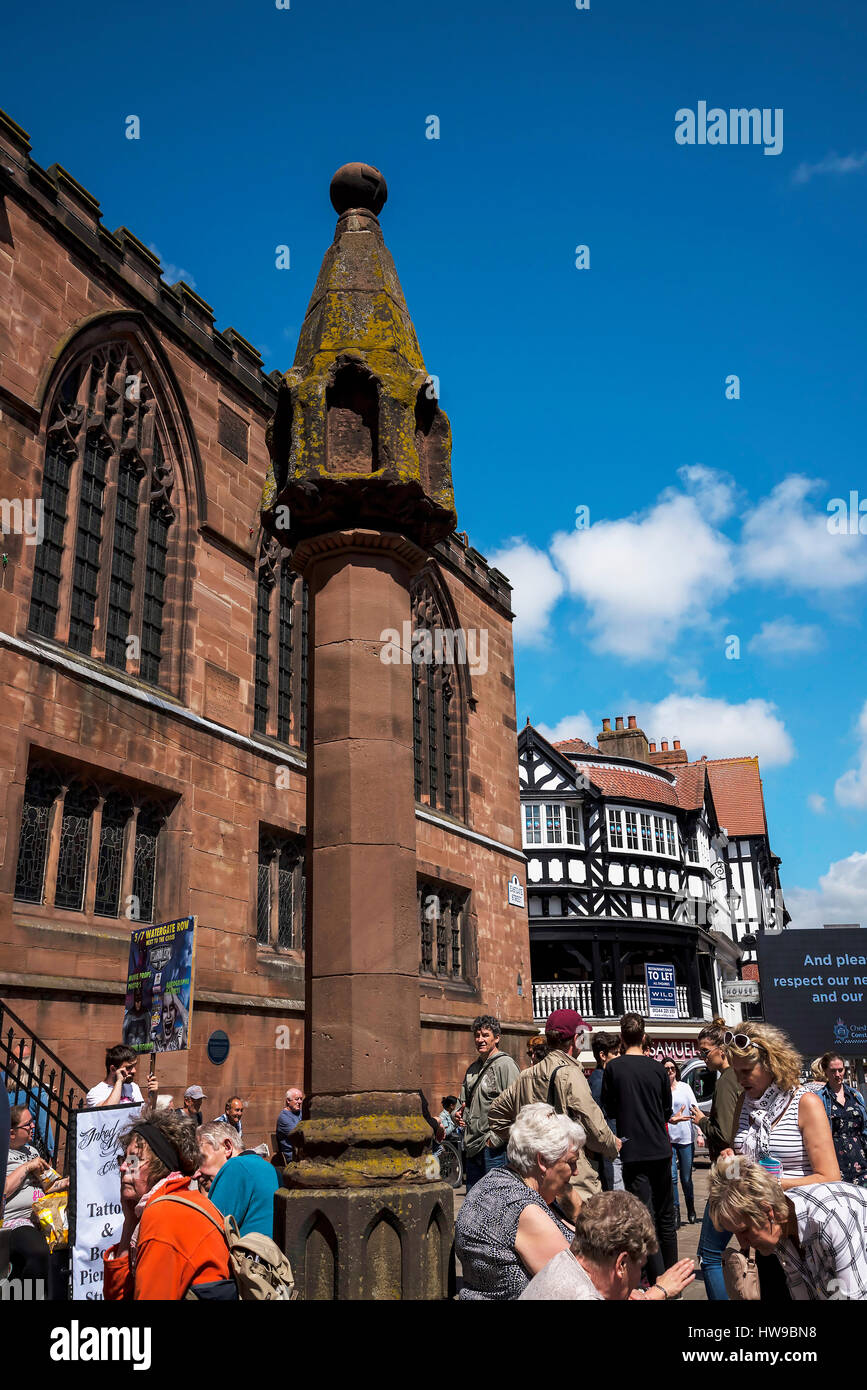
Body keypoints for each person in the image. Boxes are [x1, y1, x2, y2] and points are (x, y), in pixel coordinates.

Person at [725, 1022, 841, 1302]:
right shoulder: (744, 1103)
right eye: (735, 1071)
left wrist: (772, 1184)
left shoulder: (806, 1103)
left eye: (746, 1071)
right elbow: (739, 1165)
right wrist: (729, 1166)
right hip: (762, 1238)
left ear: (771, 1063)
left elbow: (830, 1177)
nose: (740, 1079)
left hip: (804, 1238)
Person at [488, 1009, 619, 1219]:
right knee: (585, 1241)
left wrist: (526, 1143)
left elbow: (495, 1114)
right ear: (575, 1039)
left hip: (533, 1181)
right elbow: (597, 1130)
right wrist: (614, 1145)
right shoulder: (571, 1074)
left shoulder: (526, 1076)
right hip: (570, 1182)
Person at [455, 1102, 583, 1300]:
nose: (576, 1172)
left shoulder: (498, 1181)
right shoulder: (520, 1208)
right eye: (571, 1162)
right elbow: (577, 1289)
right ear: (542, 1161)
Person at [103, 1109, 234, 1300]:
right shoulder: (180, 1199)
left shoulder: (164, 1214)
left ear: (159, 1167)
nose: (123, 1167)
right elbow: (118, 1294)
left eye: (134, 1160)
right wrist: (129, 1222)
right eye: (124, 1159)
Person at [708, 1154, 867, 1301]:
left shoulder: (830, 1217)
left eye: (744, 1231)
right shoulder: (781, 1231)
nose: (743, 1244)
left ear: (767, 1211)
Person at [601, 1012, 676, 1281]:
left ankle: (659, 1279)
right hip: (660, 1147)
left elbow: (608, 1106)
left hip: (633, 1151)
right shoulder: (658, 1068)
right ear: (643, 1037)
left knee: (646, 1216)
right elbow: (667, 1109)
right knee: (666, 1215)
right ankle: (672, 1275)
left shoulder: (614, 1068)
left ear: (622, 1037)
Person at [519, 1190, 696, 1301]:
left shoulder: (562, 1262)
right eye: (640, 1266)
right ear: (621, 1264)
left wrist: (653, 1294)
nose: (638, 1281)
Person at [691, 1018, 742, 1301]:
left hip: (728, 1170)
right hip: (743, 1169)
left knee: (709, 1255)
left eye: (705, 1051)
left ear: (722, 1049)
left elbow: (723, 1133)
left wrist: (702, 1121)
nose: (702, 1056)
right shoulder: (742, 1076)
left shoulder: (726, 1080)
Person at [4, 1104, 68, 1294]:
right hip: (14, 1221)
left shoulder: (32, 1151)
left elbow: (47, 1185)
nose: (33, 1126)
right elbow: (4, 1189)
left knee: (67, 1244)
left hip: (43, 1216)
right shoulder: (3, 1154)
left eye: (32, 1122)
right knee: (37, 1252)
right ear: (11, 1133)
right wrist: (26, 1167)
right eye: (28, 1124)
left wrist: (66, 1182)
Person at [455, 1016, 520, 1191]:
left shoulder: (505, 1065)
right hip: (472, 1146)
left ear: (497, 1038)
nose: (480, 1040)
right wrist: (458, 1115)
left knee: (497, 1201)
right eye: (477, 1035)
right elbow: (462, 1102)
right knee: (474, 1202)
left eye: (485, 1035)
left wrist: (495, 1139)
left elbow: (517, 1106)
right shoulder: (472, 1069)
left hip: (494, 1149)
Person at [197, 1121, 279, 1239]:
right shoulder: (267, 1167)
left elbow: (208, 1235)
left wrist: (203, 1199)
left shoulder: (236, 1166)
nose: (197, 1172)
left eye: (201, 1159)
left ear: (227, 1147)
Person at [818, 1051, 867, 1186]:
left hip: (861, 1161)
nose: (838, 1075)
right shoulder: (819, 1098)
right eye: (833, 1071)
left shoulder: (856, 1096)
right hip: (835, 1163)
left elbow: (865, 1128)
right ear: (825, 1071)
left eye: (841, 1070)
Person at [664, 1057, 698, 1228]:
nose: (670, 1071)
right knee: (672, 1178)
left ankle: (691, 1208)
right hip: (669, 1138)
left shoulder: (685, 1088)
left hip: (685, 1138)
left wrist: (699, 1132)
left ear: (676, 1070)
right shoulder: (661, 1089)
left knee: (686, 1178)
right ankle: (676, 1212)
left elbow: (694, 1109)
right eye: (666, 1068)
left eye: (672, 1068)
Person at [589, 1031, 621, 1191]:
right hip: (609, 1146)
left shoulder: (605, 1077)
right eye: (615, 1053)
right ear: (602, 1055)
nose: (619, 1056)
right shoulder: (599, 1081)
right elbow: (596, 1117)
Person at [86, 1045, 155, 1110]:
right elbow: (107, 1114)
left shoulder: (133, 1087)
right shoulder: (95, 1093)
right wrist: (119, 1082)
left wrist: (152, 1096)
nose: (134, 1071)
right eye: (128, 1067)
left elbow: (142, 1115)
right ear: (113, 1069)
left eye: (134, 1066)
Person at [276, 1088, 304, 1161]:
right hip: (293, 1156)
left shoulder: (300, 1113)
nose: (300, 1102)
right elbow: (299, 1136)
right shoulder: (284, 1118)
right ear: (288, 1100)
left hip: (303, 1152)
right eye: (297, 1099)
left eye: (301, 1099)